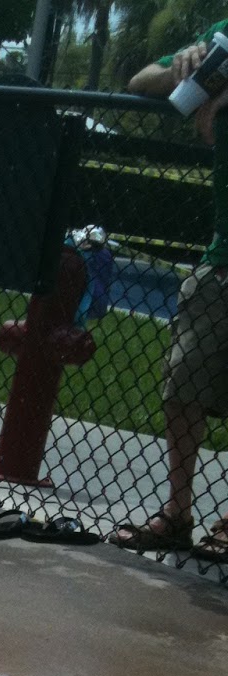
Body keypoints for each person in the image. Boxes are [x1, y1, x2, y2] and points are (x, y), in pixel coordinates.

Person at [112, 23, 228, 559]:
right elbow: (140, 79)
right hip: (222, 257)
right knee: (183, 380)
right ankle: (177, 514)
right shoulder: (224, 38)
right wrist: (184, 62)